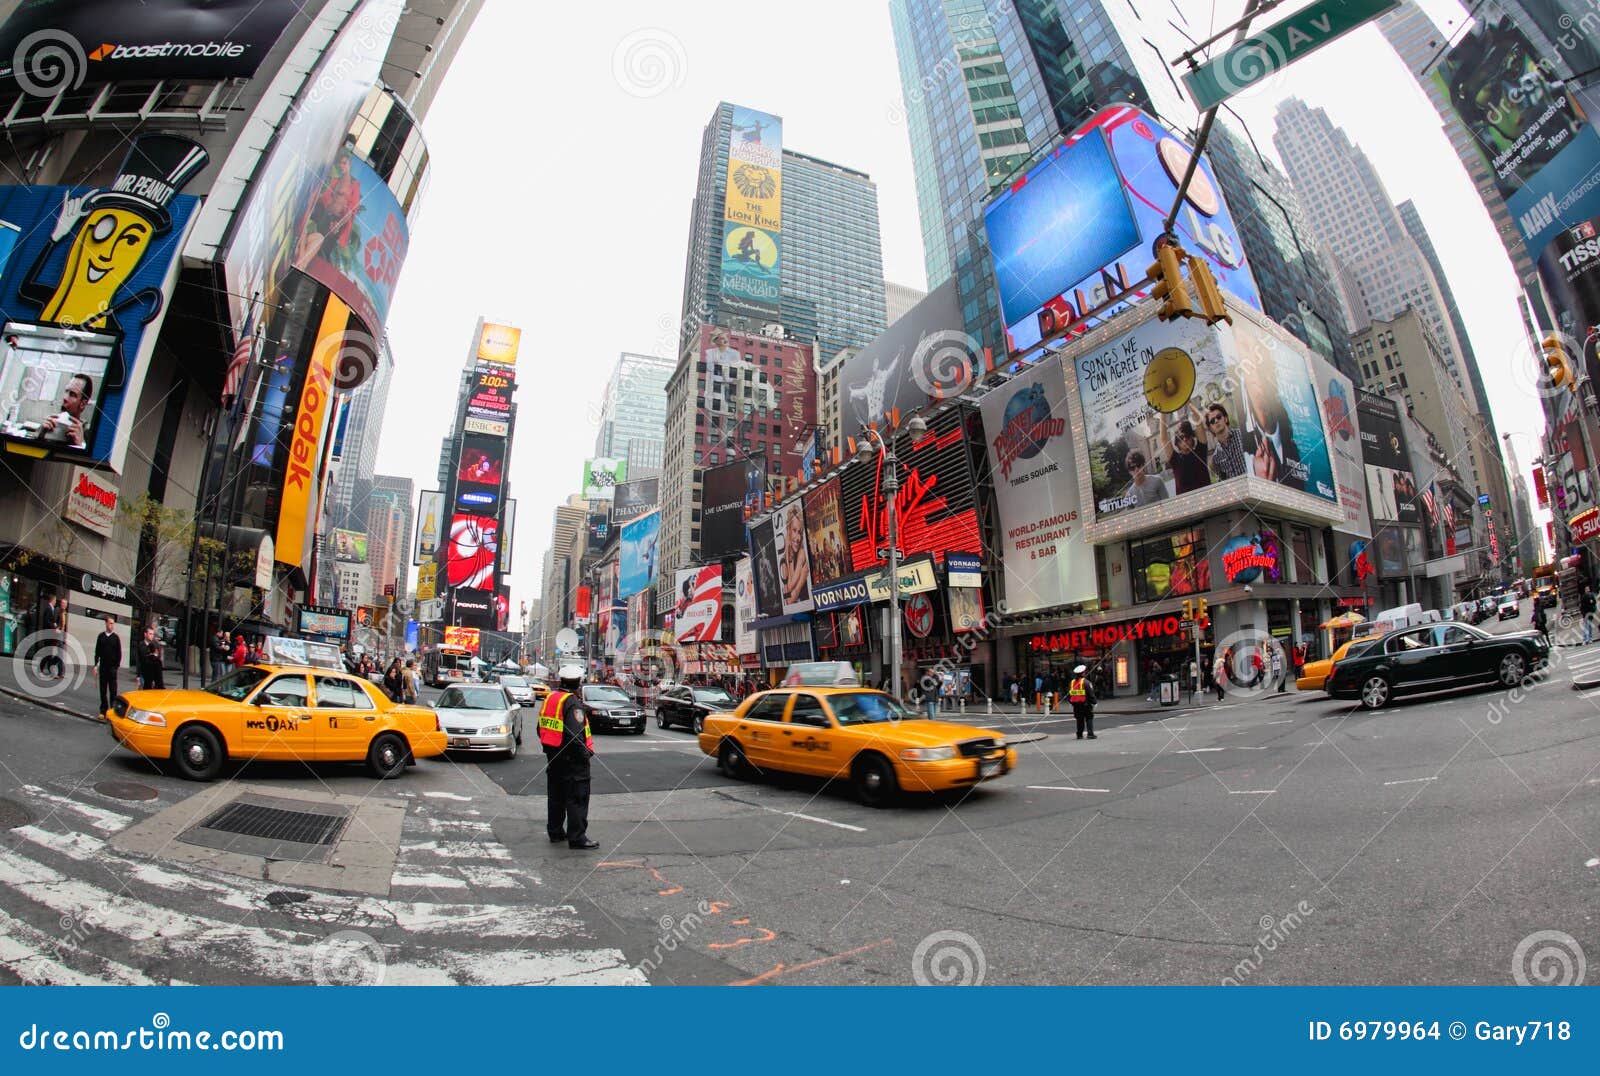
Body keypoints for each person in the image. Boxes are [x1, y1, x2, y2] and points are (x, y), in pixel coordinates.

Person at [540, 664, 598, 850]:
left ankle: (555, 832)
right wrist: (585, 754)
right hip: (572, 761)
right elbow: (575, 736)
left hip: (553, 755)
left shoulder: (551, 698)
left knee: (556, 796)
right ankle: (577, 837)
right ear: (578, 682)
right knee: (577, 798)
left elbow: (541, 727)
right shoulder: (572, 703)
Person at [39, 373, 91, 449]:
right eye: (66, 391)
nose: (65, 398)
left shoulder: (88, 433)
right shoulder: (52, 423)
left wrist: (81, 445)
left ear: (82, 404)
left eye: (72, 394)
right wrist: (40, 436)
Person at [1205, 404, 1248, 481]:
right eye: (1212, 421)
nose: (1216, 421)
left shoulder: (1243, 435)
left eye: (1219, 417)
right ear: (1211, 429)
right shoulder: (1215, 458)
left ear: (1225, 419)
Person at [94, 616, 121, 715]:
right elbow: (97, 652)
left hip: (112, 668)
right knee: (103, 690)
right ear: (106, 623)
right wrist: (96, 665)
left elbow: (119, 653)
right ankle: (103, 710)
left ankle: (112, 711)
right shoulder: (101, 636)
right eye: (110, 623)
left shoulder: (116, 638)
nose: (111, 625)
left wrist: (116, 666)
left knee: (113, 690)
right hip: (103, 668)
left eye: (113, 623)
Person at [1067, 664, 1097, 740]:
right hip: (1085, 704)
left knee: (1079, 719)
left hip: (1076, 705)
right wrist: (1094, 702)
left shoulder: (1072, 682)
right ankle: (1090, 734)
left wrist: (1071, 702)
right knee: (1089, 718)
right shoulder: (1086, 682)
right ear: (1083, 673)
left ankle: (1079, 734)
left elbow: (1070, 693)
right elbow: (1090, 693)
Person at [37, 594, 63, 679]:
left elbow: (50, 621)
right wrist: (54, 627)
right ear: (52, 600)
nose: (56, 602)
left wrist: (55, 626)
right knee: (47, 653)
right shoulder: (49, 609)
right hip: (48, 635)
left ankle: (48, 671)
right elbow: (47, 622)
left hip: (50, 635)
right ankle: (41, 669)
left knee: (49, 653)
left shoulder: (51, 609)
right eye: (55, 600)